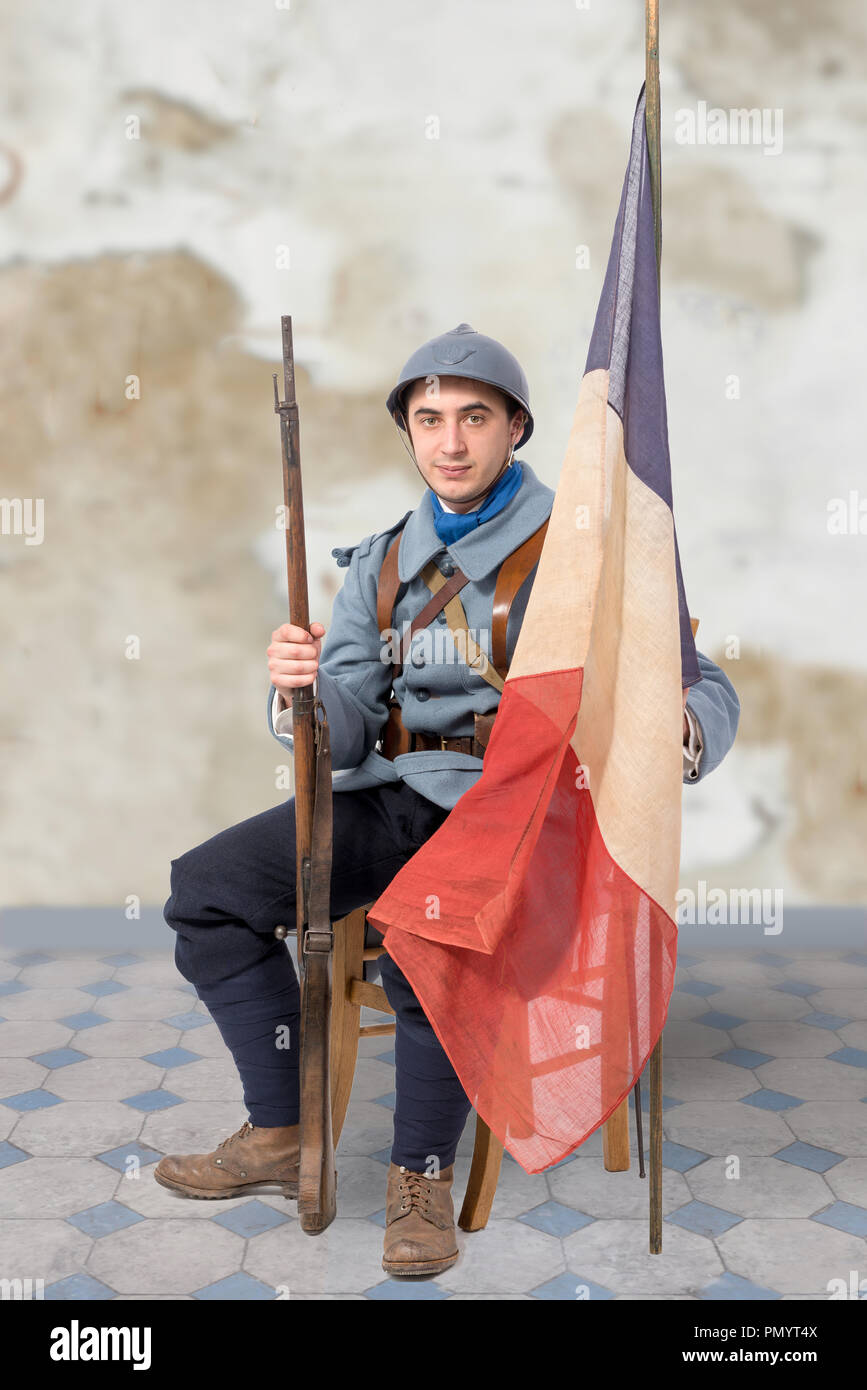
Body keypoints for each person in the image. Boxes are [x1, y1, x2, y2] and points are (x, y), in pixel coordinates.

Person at [157, 323, 740, 1277]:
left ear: (516, 427)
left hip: (524, 819)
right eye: (429, 420)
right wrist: (299, 693)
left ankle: (417, 1177)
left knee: (429, 936)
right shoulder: (382, 561)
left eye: (475, 417)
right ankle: (282, 1126)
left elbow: (705, 685)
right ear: (409, 434)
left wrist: (672, 730)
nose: (452, 442)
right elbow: (345, 730)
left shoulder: (585, 552)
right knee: (205, 890)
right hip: (398, 799)